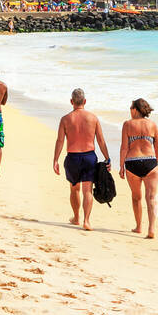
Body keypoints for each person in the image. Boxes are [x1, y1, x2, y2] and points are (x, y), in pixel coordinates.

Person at [53, 88, 110, 231]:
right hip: (89, 157)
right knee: (87, 191)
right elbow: (101, 141)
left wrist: (55, 159)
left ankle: (76, 217)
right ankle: (86, 221)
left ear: (71, 101)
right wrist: (107, 158)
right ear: (85, 101)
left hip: (72, 157)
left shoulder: (65, 119)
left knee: (74, 189)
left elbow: (60, 141)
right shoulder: (93, 118)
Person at [119, 98, 158, 238]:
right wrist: (155, 164)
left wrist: (121, 166)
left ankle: (138, 227)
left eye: (131, 107)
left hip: (133, 162)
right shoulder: (153, 125)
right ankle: (152, 229)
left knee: (136, 197)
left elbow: (124, 147)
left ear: (135, 109)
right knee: (151, 197)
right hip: (150, 162)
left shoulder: (127, 124)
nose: (130, 110)